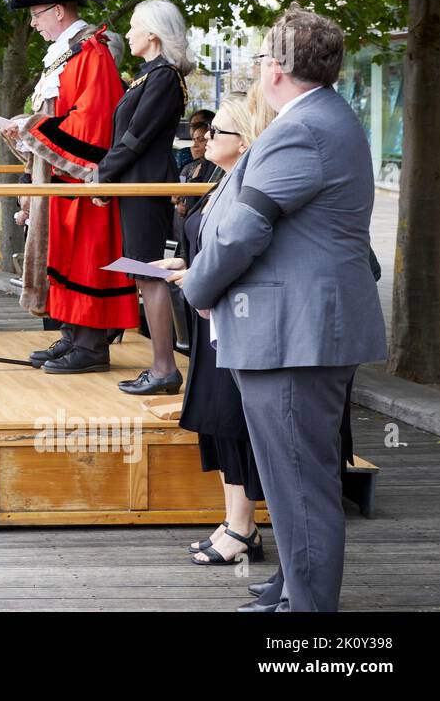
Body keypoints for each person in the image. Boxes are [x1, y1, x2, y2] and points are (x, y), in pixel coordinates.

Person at [178, 5, 386, 613]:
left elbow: (246, 229)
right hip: (293, 329)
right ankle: (294, 589)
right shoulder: (323, 117)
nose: (257, 68)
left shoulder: (302, 128)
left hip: (295, 333)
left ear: (275, 69)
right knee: (292, 478)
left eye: (262, 57)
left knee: (300, 484)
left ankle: (309, 620)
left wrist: (194, 289)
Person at [153, 92, 275, 566]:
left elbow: (245, 250)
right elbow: (214, 245)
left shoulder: (249, 186)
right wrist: (186, 263)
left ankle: (243, 528)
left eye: (215, 131)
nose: (202, 138)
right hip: (211, 316)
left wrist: (199, 274)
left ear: (243, 141)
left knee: (231, 422)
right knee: (217, 425)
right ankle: (232, 522)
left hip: (234, 320)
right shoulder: (224, 181)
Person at [0, 0, 137, 373]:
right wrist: (28, 126)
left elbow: (91, 125)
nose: (33, 23)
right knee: (64, 257)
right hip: (61, 179)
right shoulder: (68, 53)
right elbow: (57, 116)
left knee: (85, 259)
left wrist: (34, 128)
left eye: (37, 14)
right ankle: (72, 336)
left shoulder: (90, 53)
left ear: (58, 11)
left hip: (81, 182)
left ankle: (92, 347)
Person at [92, 0, 194, 395]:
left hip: (145, 183)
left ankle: (165, 368)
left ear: (152, 33)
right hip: (135, 183)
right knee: (144, 274)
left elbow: (136, 138)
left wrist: (103, 175)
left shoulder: (163, 76)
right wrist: (109, 177)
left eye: (134, 26)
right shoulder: (148, 75)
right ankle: (161, 366)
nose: (128, 34)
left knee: (151, 274)